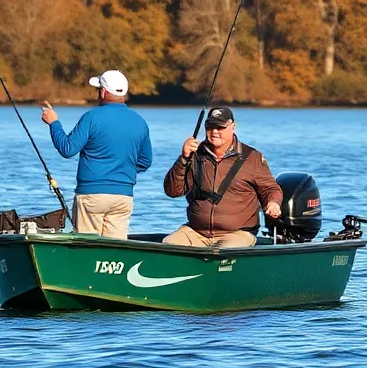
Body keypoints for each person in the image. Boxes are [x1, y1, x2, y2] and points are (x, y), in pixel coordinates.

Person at [41, 70, 152, 239]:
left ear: (104, 92)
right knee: (114, 249)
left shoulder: (91, 117)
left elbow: (67, 149)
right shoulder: (140, 122)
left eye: (98, 89)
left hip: (91, 195)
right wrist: (121, 170)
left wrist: (53, 123)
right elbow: (145, 161)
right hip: (123, 197)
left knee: (87, 247)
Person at [162, 107, 282, 248]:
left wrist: (273, 203)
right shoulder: (195, 154)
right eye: (210, 127)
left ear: (233, 127)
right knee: (168, 244)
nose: (214, 132)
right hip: (195, 232)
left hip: (238, 234)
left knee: (223, 251)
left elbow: (270, 189)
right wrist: (183, 158)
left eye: (220, 127)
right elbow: (172, 191)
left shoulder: (252, 158)